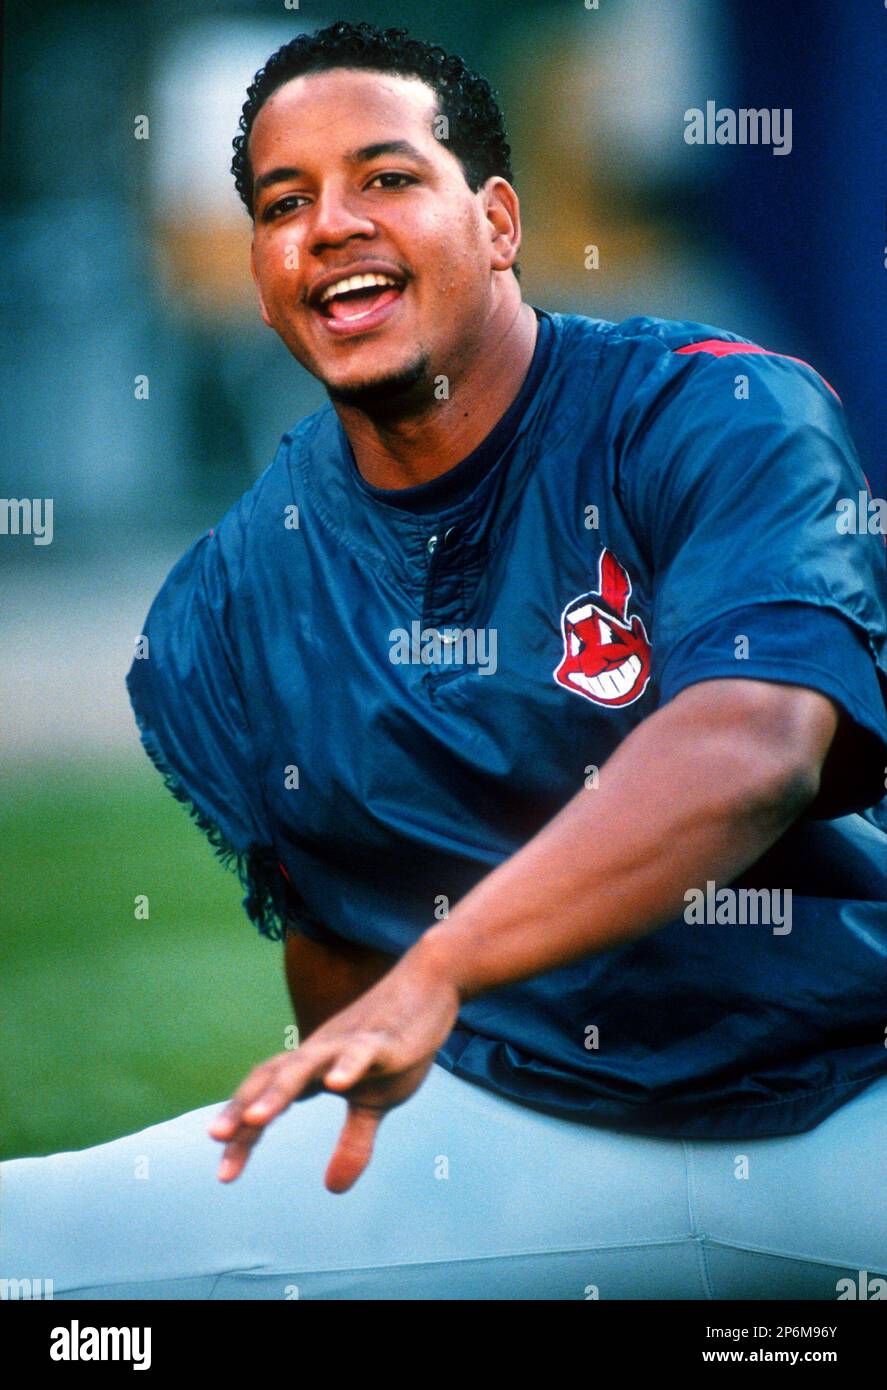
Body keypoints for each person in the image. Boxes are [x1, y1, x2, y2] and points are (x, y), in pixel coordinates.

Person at [2, 20, 885, 1302]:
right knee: (29, 1251)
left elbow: (753, 745)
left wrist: (451, 961)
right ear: (259, 271)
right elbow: (345, 971)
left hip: (851, 1095)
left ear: (497, 220)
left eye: (386, 177)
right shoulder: (235, 592)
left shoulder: (709, 406)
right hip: (521, 1137)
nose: (332, 222)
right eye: (282, 201)